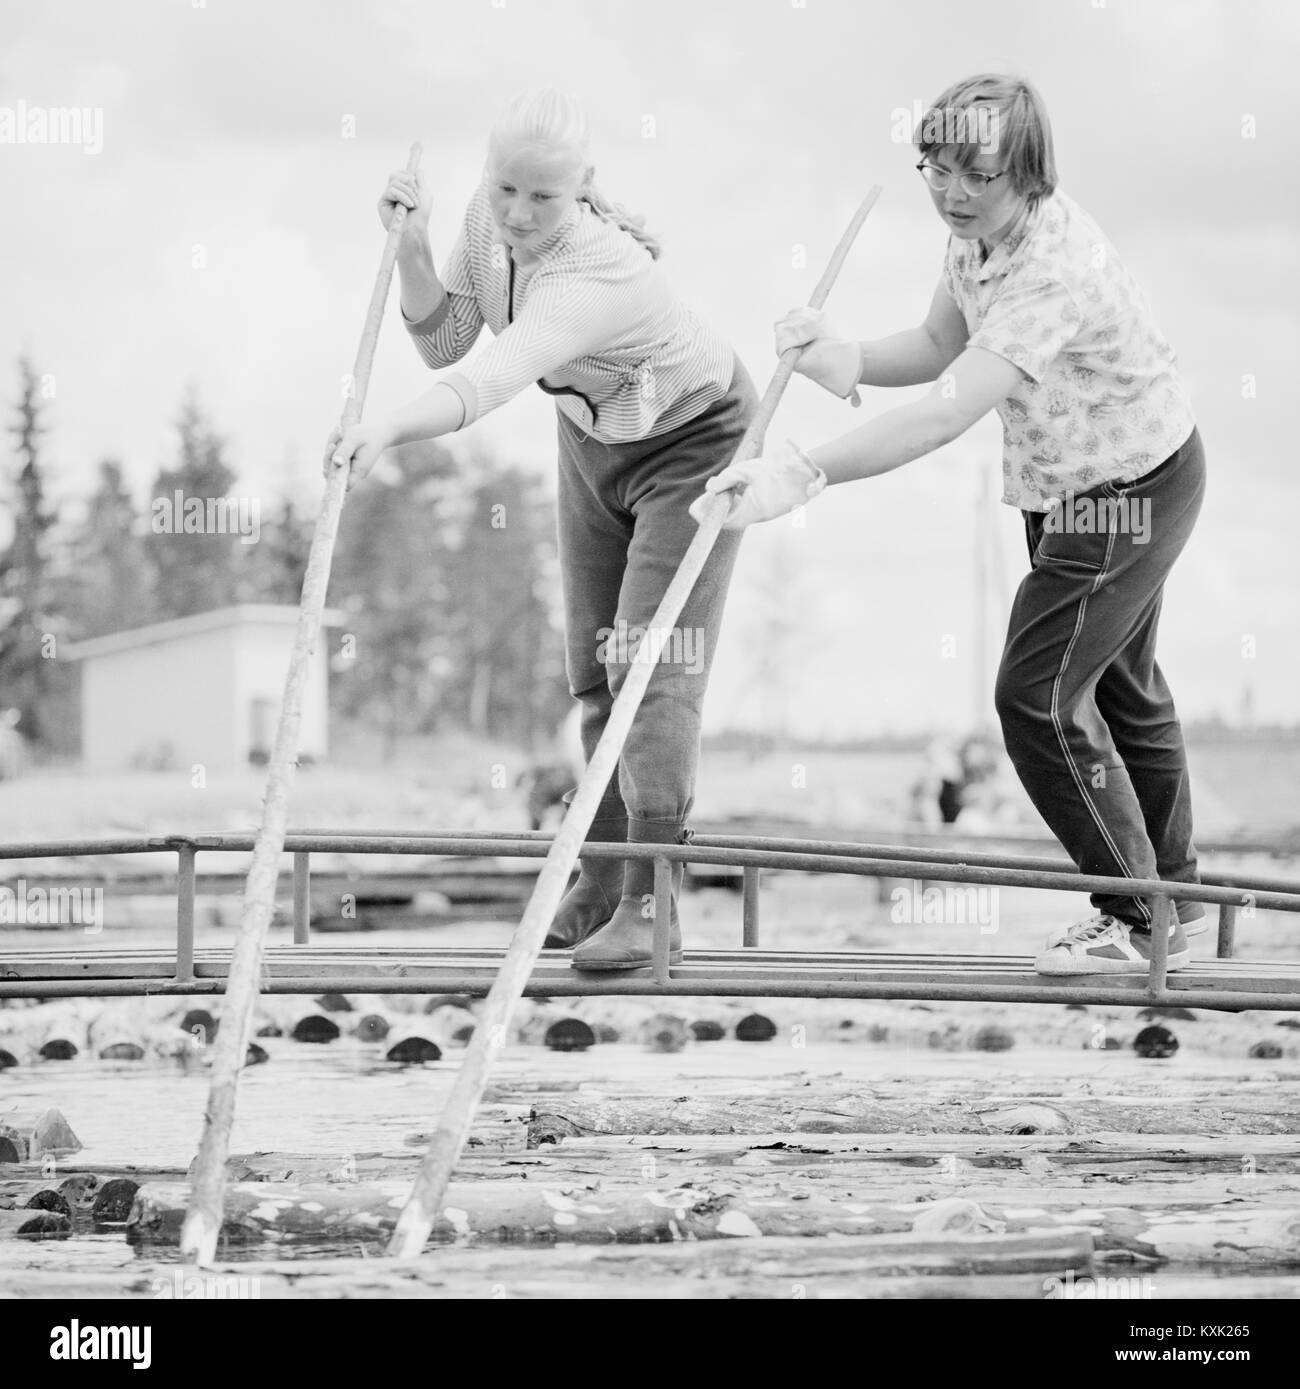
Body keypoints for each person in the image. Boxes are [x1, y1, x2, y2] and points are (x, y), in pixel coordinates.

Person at [692, 73, 1206, 976]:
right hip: (1070, 483)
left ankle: (1136, 914)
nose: (954, 193)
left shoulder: (1050, 267)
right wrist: (841, 356)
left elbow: (942, 410)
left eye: (980, 176)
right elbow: (938, 346)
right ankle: (1177, 904)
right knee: (1123, 690)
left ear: (1030, 175)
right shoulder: (975, 239)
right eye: (938, 168)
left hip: (1132, 486)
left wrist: (806, 471)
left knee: (1035, 696)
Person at [328, 90, 756, 971]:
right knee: (592, 668)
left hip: (694, 436)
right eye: (507, 188)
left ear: (585, 188)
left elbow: (490, 377)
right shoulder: (490, 219)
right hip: (595, 437)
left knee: (648, 663)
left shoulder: (601, 270)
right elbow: (448, 337)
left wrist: (386, 431)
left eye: (544, 198)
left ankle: (653, 897)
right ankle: (598, 878)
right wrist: (411, 247)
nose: (520, 214)